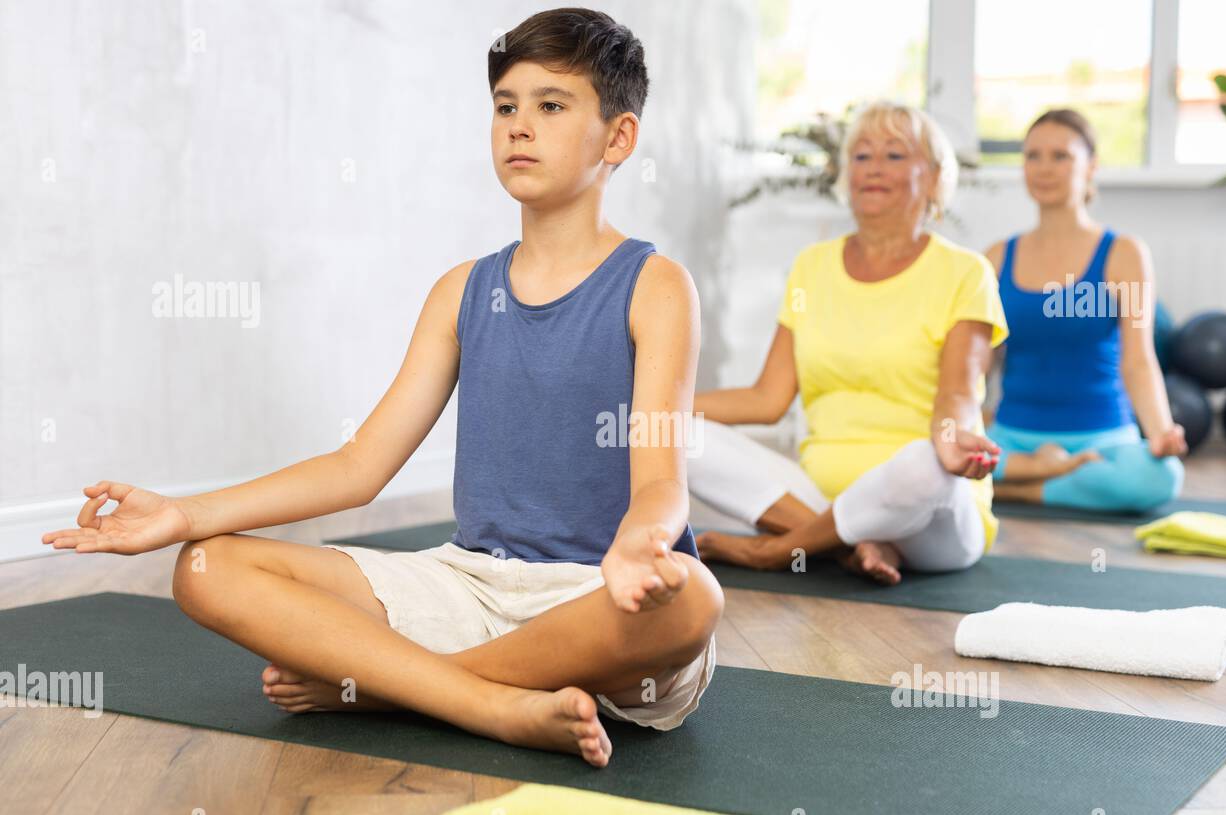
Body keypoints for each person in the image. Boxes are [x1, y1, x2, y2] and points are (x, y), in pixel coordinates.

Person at [40, 8, 723, 768]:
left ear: (619, 138)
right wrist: (182, 514)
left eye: (551, 106)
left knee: (695, 599)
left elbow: (661, 482)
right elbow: (360, 467)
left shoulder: (655, 286)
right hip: (469, 585)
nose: (519, 127)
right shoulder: (461, 291)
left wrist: (642, 543)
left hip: (598, 599)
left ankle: (388, 687)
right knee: (205, 568)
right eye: (505, 107)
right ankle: (491, 703)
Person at [689, 102, 1007, 586]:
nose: (874, 167)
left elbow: (958, 394)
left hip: (929, 518)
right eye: (861, 156)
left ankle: (777, 550)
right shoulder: (812, 267)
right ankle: (849, 544)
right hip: (820, 497)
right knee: (670, 433)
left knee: (923, 464)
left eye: (895, 155)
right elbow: (768, 399)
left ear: (937, 176)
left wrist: (954, 442)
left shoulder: (965, 272)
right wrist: (657, 408)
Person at [984, 108, 1187, 511]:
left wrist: (1161, 432)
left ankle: (1017, 488)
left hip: (1103, 439)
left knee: (1160, 477)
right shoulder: (995, 258)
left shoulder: (1124, 253)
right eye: (1032, 156)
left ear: (1091, 166)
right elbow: (979, 366)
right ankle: (1044, 473)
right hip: (1013, 437)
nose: (1044, 168)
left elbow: (1139, 361)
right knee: (933, 459)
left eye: (1061, 156)